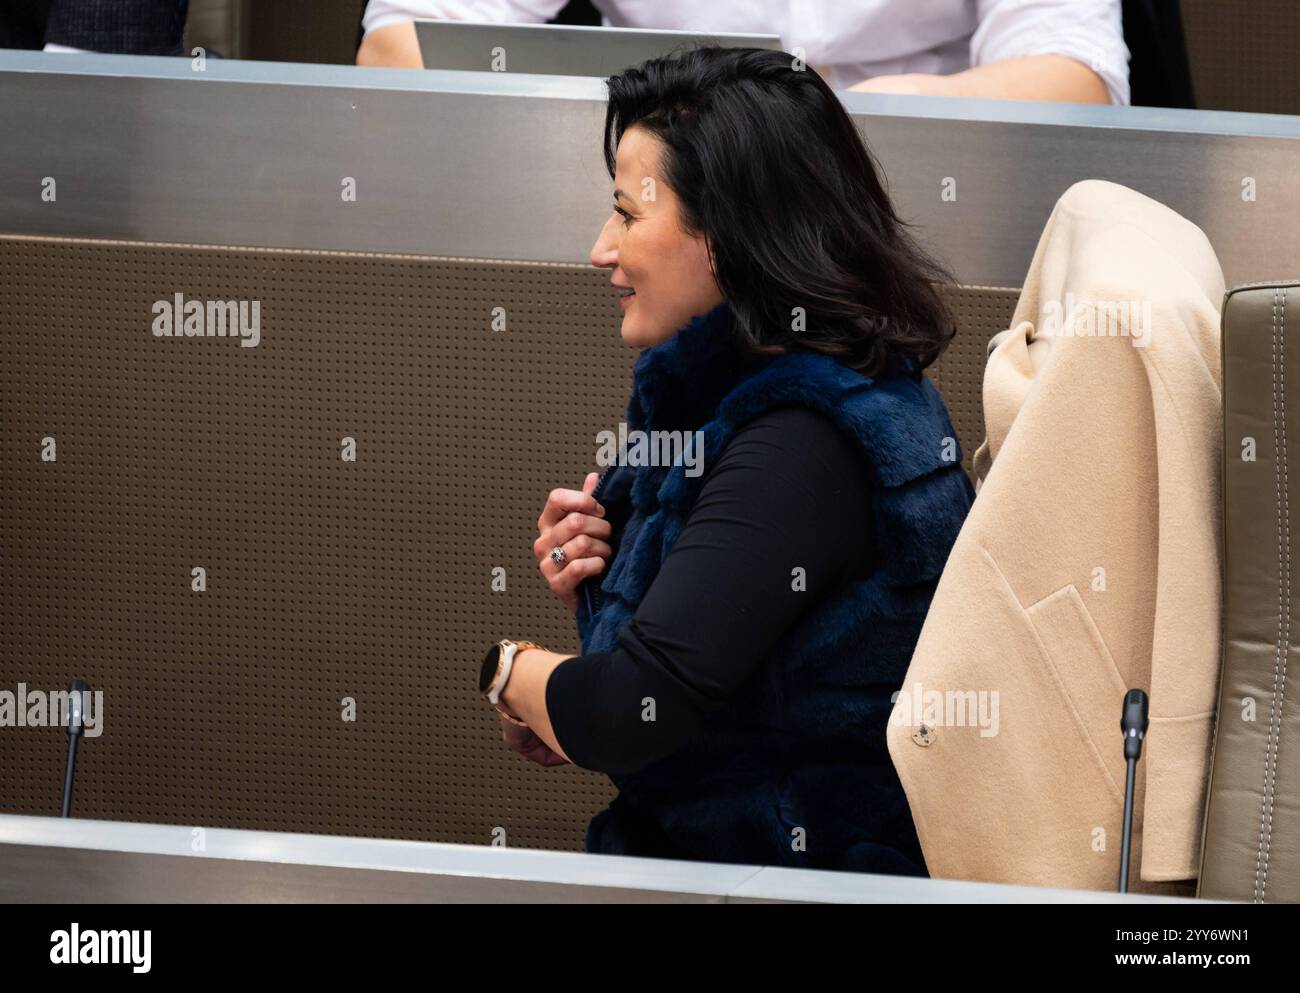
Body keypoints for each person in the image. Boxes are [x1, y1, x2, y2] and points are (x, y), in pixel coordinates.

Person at [475, 46, 973, 872]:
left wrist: (507, 671)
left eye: (628, 215)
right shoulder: (804, 395)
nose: (601, 250)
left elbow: (629, 710)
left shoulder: (797, 445)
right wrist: (603, 576)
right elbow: (711, 692)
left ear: (733, 232)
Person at [358, 0, 1129, 105]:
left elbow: (1074, 81)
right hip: (653, 206)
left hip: (914, 228)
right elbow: (400, 51)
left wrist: (849, 125)